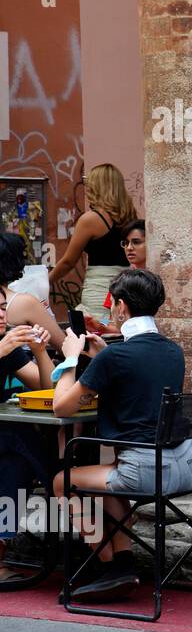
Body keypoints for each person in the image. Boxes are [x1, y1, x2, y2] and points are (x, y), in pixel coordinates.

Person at [49, 269, 192, 603]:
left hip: (147, 472)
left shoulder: (114, 357)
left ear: (120, 307)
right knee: (106, 475)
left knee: (63, 481)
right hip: (187, 467)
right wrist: (104, 354)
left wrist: (72, 357)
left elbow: (62, 406)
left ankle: (109, 566)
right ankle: (123, 562)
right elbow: (139, 381)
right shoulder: (173, 351)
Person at [0, 239, 55, 580]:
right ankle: (63, 485)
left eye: (4, 306)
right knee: (19, 440)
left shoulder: (10, 342)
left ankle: (1, 548)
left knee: (15, 461)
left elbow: (44, 387)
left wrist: (39, 351)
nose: (2, 313)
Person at [49, 163, 138, 324]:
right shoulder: (130, 216)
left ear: (97, 187)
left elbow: (69, 261)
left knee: (97, 334)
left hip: (99, 290)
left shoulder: (90, 219)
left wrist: (46, 281)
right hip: (126, 288)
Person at [88, 219, 147, 335]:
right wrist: (101, 325)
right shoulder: (120, 281)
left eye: (136, 242)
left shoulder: (157, 281)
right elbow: (109, 318)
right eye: (125, 243)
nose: (129, 247)